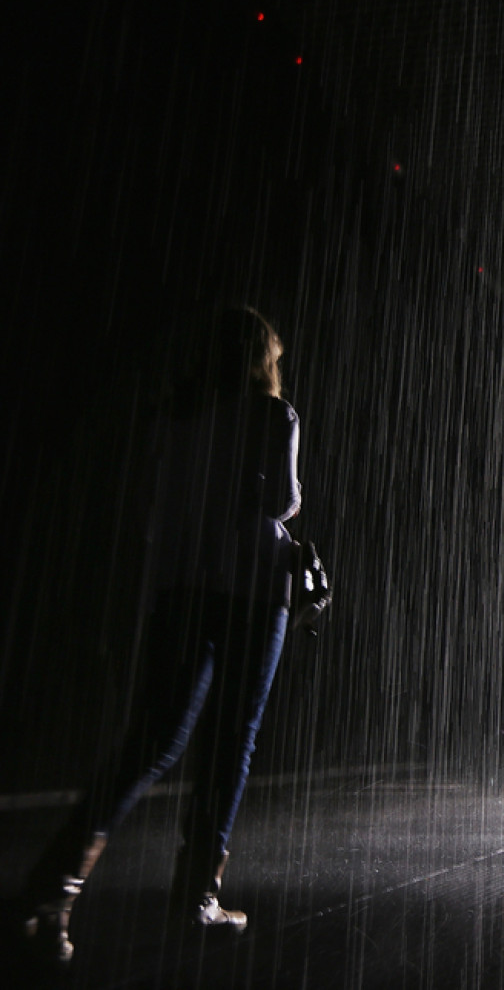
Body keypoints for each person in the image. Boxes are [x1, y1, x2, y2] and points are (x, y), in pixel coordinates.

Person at [18, 307, 303, 963]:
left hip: (180, 592)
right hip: (254, 592)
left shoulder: (174, 418)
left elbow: (152, 515)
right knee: (232, 742)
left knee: (152, 741)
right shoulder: (272, 415)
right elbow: (281, 502)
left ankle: (53, 891)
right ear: (263, 359)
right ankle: (196, 896)